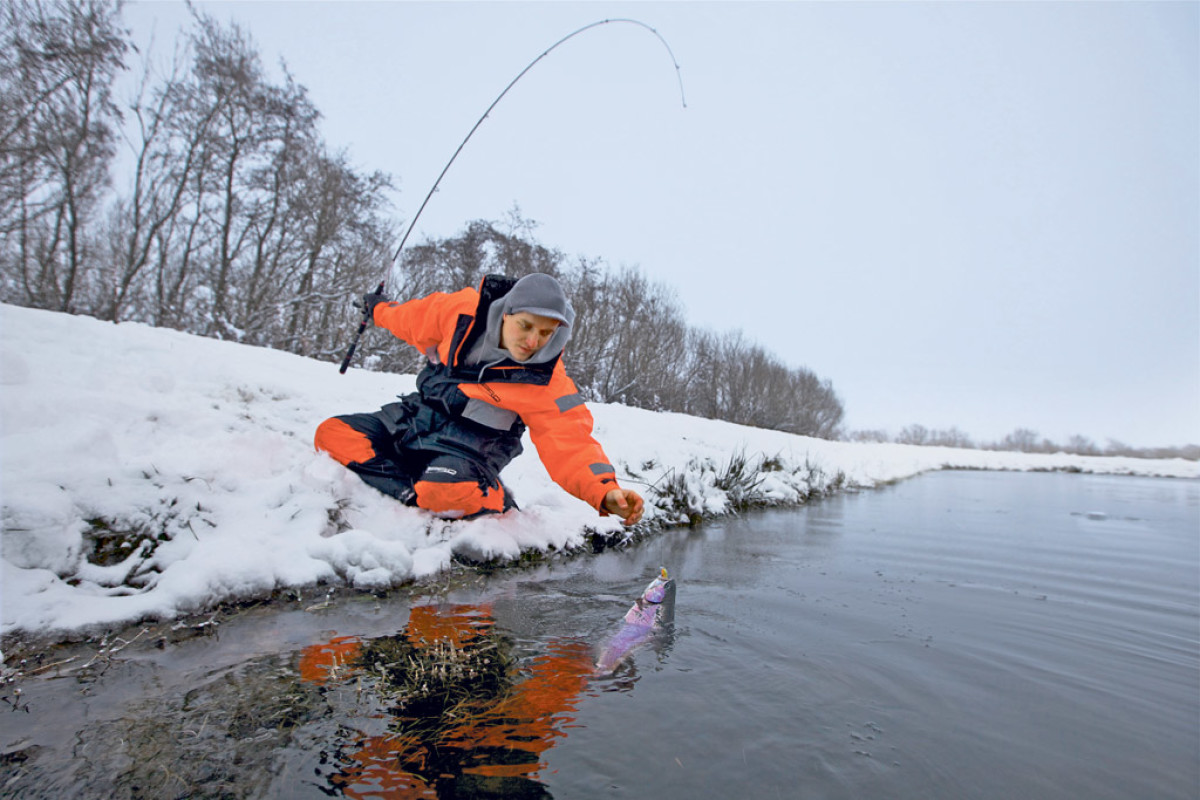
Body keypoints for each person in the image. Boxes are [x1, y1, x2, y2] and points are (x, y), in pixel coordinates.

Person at [315, 272, 645, 525]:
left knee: (443, 492)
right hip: (416, 419)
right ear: (506, 313)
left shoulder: (550, 381)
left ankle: (483, 497)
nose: (533, 341)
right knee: (332, 433)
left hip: (472, 448)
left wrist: (605, 491)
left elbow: (571, 442)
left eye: (546, 333)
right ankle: (407, 491)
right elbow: (409, 319)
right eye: (526, 326)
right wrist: (378, 309)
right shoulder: (459, 311)